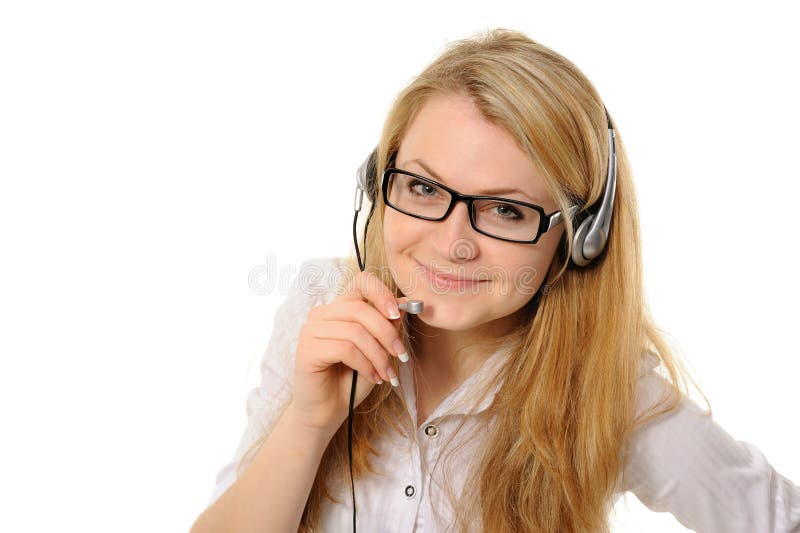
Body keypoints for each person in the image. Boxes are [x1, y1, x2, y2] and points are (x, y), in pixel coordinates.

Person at [190, 28, 800, 533]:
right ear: (381, 182)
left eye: (506, 210)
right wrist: (308, 420)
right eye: (424, 188)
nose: (453, 241)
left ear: (580, 238)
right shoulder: (322, 309)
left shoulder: (606, 384)